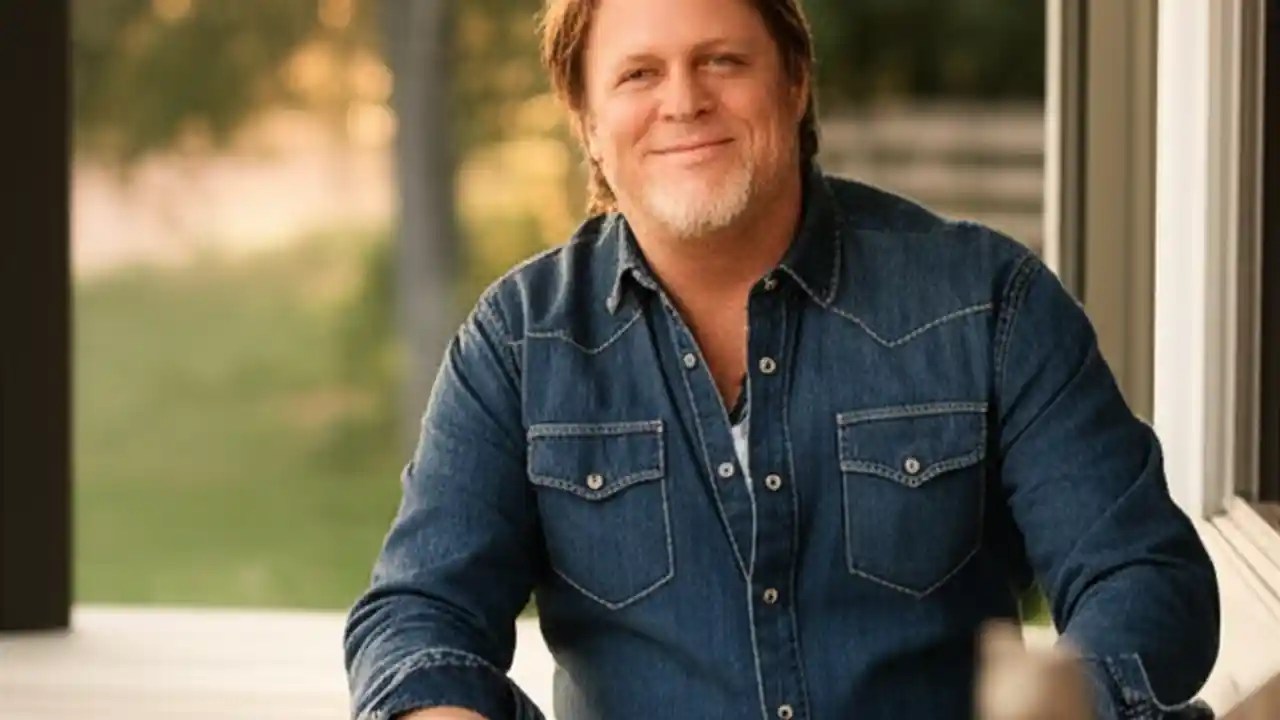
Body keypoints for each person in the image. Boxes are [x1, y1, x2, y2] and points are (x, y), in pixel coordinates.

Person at [343, 0, 1221, 717]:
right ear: (587, 121)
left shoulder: (989, 302)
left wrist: (1075, 704)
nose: (683, 101)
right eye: (639, 73)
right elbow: (418, 614)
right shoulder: (518, 344)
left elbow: (1142, 576)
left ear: (795, 80)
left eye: (722, 60)